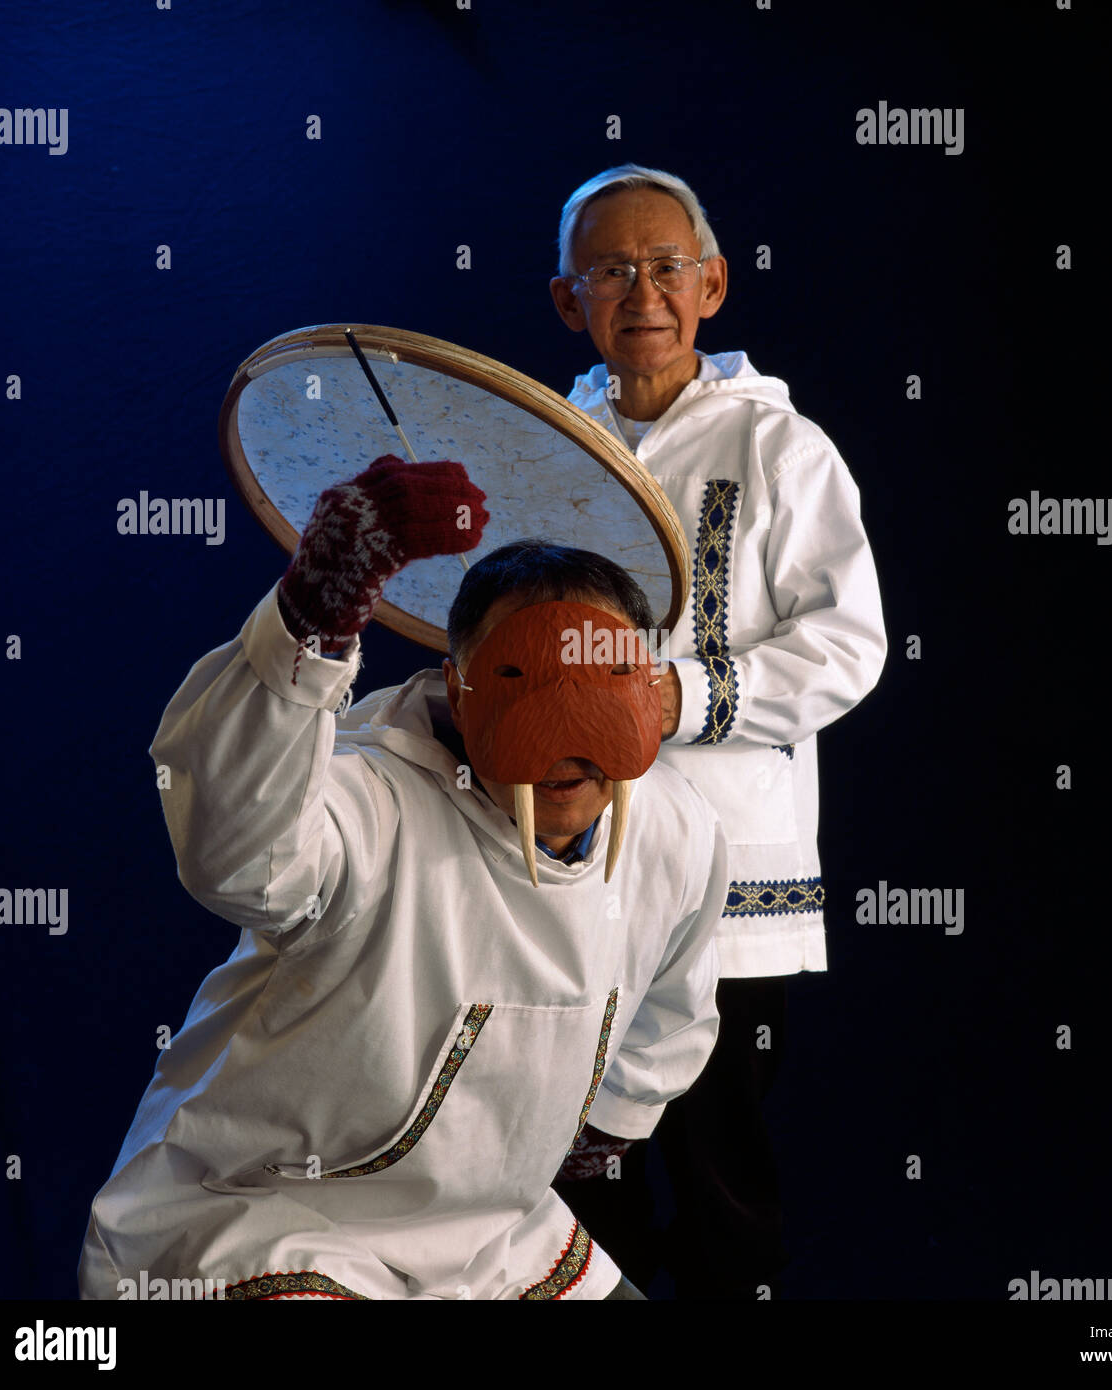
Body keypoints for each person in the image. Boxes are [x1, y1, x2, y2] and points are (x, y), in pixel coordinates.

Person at [77, 455, 728, 1301]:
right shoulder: (369, 806)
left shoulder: (676, 834)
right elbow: (239, 859)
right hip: (273, 1217)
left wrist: (601, 1126)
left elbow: (672, 1011)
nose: (568, 735)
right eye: (520, 681)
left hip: (500, 1234)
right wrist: (310, 617)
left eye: (604, 685)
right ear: (457, 693)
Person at [549, 165, 888, 1299]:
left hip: (731, 882)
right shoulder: (547, 449)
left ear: (713, 288)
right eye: (608, 270)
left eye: (664, 268)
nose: (639, 292)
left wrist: (676, 698)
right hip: (567, 872)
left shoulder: (781, 450)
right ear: (568, 300)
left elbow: (848, 645)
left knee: (717, 1176)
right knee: (563, 1176)